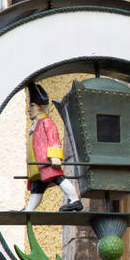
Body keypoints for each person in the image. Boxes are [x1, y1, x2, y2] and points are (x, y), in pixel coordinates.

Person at [24, 82, 83, 213]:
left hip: (47, 162)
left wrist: (55, 157)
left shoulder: (46, 122)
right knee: (36, 189)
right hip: (38, 166)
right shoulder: (35, 126)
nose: (29, 109)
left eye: (32, 106)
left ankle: (74, 200)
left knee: (59, 179)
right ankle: (29, 209)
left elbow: (53, 138)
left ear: (40, 107)